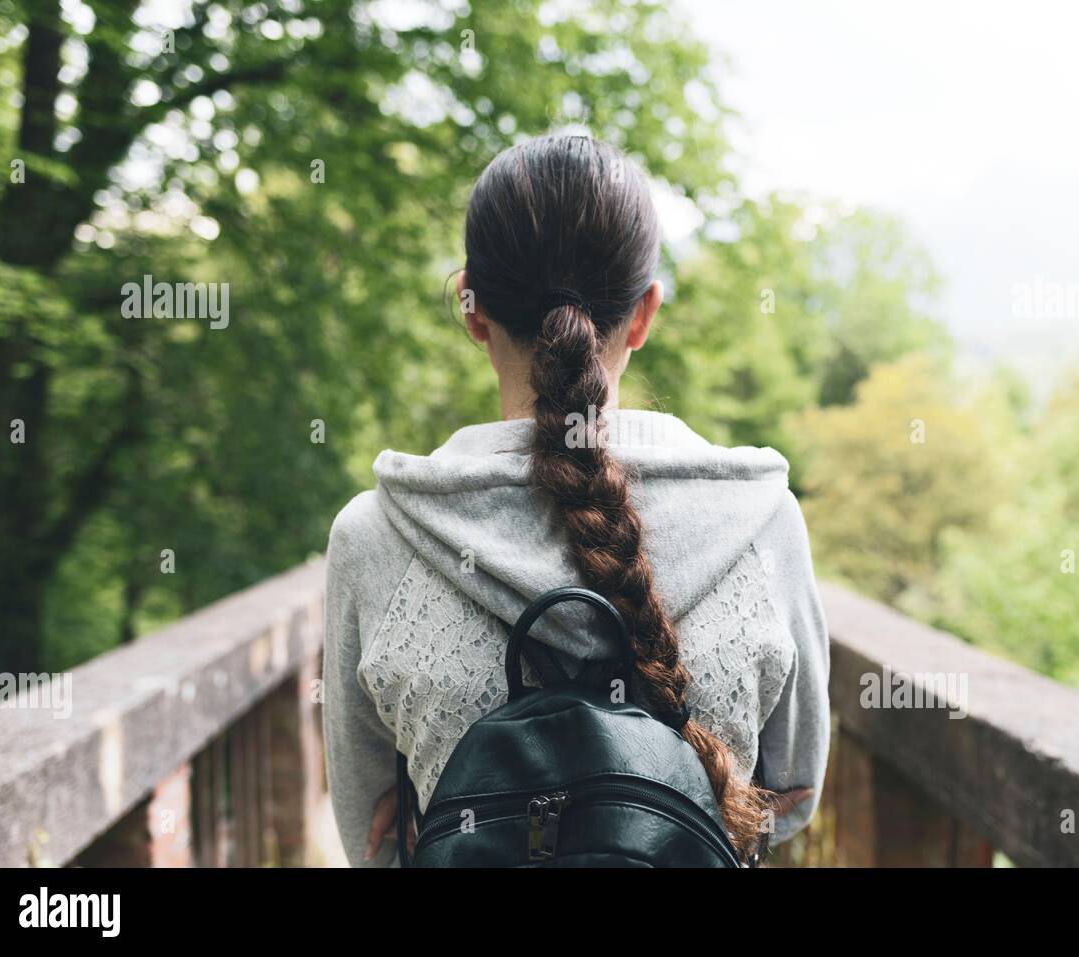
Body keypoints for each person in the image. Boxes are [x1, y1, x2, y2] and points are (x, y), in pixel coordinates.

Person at [321, 133, 830, 866]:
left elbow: (370, 829)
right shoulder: (763, 522)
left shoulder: (372, 536)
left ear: (473, 308)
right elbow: (791, 794)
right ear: (646, 312)